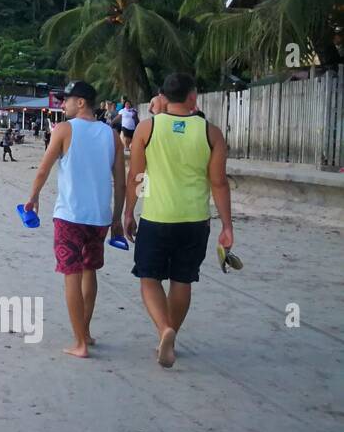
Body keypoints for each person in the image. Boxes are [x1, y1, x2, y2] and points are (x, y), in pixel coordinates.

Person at [125, 72, 233, 369]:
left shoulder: (147, 128)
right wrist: (227, 225)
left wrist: (127, 211)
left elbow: (137, 175)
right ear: (193, 96)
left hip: (157, 218)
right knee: (182, 279)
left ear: (162, 97)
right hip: (195, 221)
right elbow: (219, 183)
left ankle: (164, 330)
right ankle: (171, 334)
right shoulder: (211, 133)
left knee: (149, 279)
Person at [25, 80, 125, 358]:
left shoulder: (64, 130)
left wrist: (32, 199)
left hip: (70, 215)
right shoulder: (111, 135)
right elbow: (121, 182)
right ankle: (87, 332)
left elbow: (43, 169)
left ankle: (79, 342)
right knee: (89, 270)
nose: (62, 104)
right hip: (99, 217)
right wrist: (116, 218)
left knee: (72, 273)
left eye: (66, 100)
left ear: (80, 102)